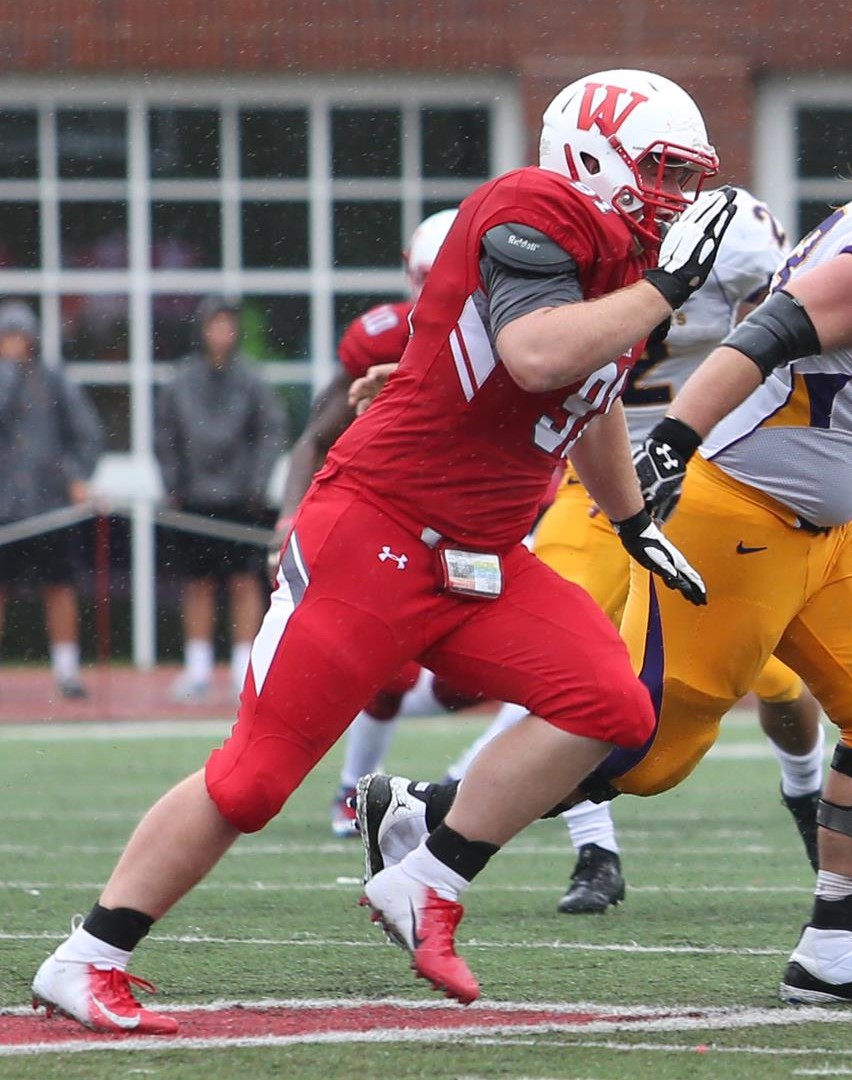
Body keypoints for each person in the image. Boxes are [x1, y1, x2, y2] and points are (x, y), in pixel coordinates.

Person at [360, 73, 852, 1007]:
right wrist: (677, 438)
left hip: (826, 532)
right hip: (742, 513)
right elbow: (773, 331)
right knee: (645, 755)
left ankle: (840, 939)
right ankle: (428, 828)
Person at [28, 68, 725, 1032]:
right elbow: (537, 356)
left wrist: (634, 517)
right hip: (379, 533)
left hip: (480, 556)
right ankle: (88, 954)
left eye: (684, 175)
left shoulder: (612, 270)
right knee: (258, 777)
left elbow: (589, 399)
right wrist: (661, 290)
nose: (673, 196)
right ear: (592, 154)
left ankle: (426, 877)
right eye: (657, 168)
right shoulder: (535, 206)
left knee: (609, 704)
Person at [432, 185, 834, 914]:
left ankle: (806, 795)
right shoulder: (587, 246)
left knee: (773, 681)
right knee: (562, 660)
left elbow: (790, 340)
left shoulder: (740, 248)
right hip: (596, 479)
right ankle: (596, 847)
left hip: (704, 480)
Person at [267, 209, 496, 839]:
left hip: (480, 525)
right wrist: (289, 520)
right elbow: (314, 439)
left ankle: (447, 792)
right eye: (430, 276)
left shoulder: (519, 336)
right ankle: (352, 789)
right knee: (384, 669)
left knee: (474, 681)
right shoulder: (383, 338)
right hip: (392, 521)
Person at [155, 297, 289, 703]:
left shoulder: (251, 380)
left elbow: (272, 430)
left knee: (244, 583)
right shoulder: (181, 380)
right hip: (193, 497)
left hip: (241, 501)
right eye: (214, 325)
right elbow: (165, 433)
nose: (221, 334)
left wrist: (256, 483)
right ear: (201, 330)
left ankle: (243, 667)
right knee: (196, 582)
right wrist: (173, 481)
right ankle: (197, 669)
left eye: (228, 325)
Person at [0, 301, 103, 700]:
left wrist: (77, 476)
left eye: (19, 337)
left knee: (59, 586)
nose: (14, 345)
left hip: (50, 505)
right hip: (5, 506)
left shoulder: (57, 382)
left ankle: (66, 671)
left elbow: (88, 433)